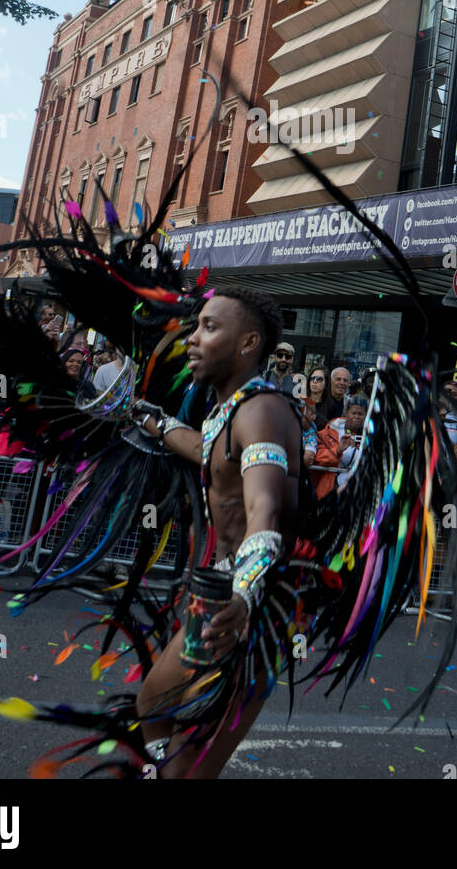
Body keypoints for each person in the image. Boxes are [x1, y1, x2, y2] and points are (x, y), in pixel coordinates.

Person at [133, 286, 301, 778]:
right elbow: (206, 448)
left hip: (253, 607)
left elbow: (264, 509)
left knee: (188, 767)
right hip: (218, 591)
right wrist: (150, 420)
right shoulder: (231, 408)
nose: (192, 339)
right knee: (153, 705)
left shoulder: (264, 411)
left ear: (248, 343)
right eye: (196, 325)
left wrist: (245, 595)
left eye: (210, 327)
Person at [312, 395, 367, 499]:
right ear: (346, 414)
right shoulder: (328, 433)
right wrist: (337, 450)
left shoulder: (370, 436)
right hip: (330, 490)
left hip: (358, 492)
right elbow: (316, 457)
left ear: (366, 416)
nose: (356, 417)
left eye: (360, 414)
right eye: (353, 413)